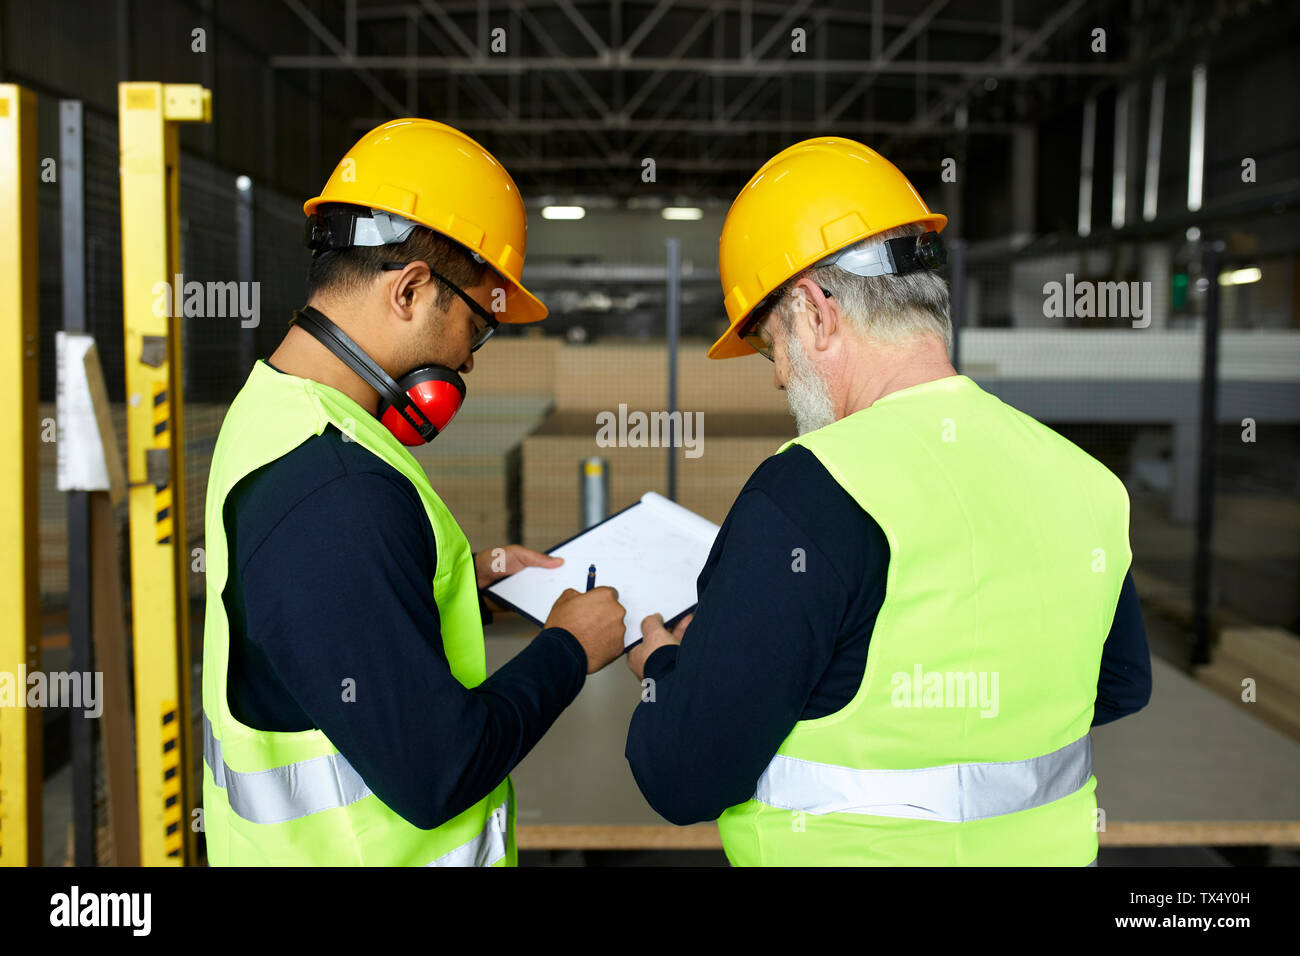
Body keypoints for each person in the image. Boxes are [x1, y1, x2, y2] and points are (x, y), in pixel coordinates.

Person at [624, 136, 1152, 866]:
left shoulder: (807, 493)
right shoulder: (1085, 479)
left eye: (771, 341)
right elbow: (1120, 684)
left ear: (814, 311)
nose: (779, 376)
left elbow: (682, 776)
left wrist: (664, 669)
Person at [201, 119, 626, 866]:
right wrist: (568, 648)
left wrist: (469, 585)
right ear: (410, 289)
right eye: (477, 325)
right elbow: (440, 770)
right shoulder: (335, 489)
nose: (469, 357)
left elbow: (332, 629)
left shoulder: (276, 410)